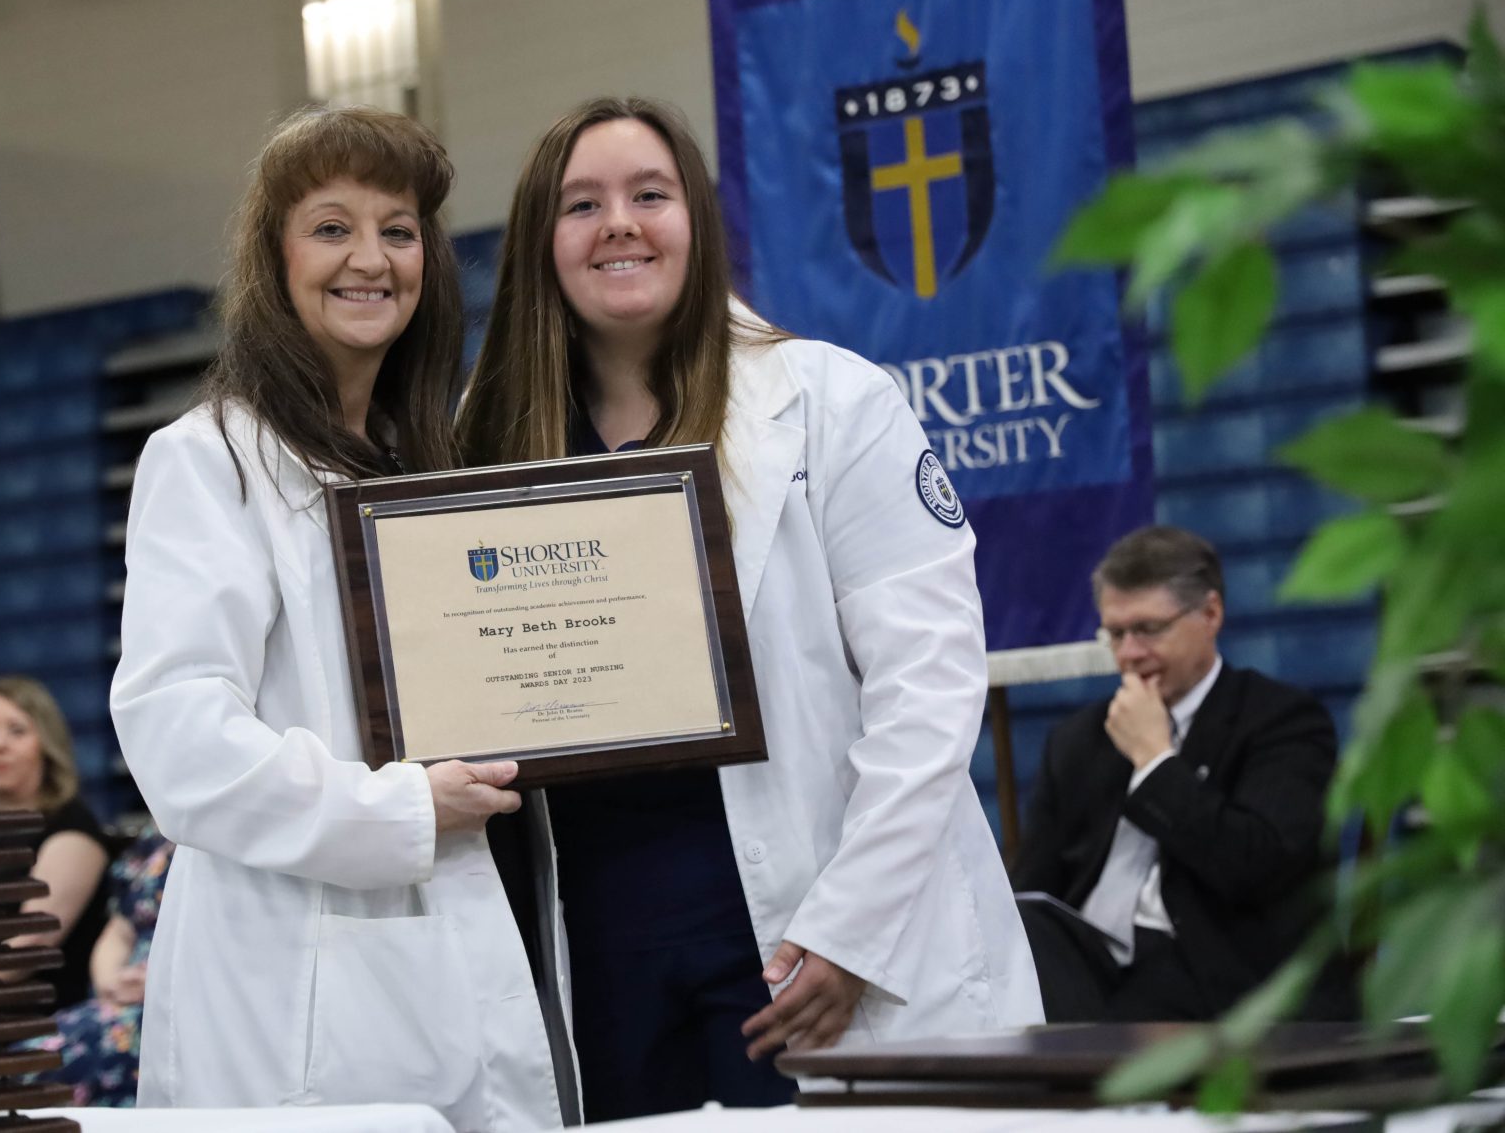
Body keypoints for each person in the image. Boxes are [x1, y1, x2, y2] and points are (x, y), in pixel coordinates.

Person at [456, 96, 1041, 1121]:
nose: (619, 224)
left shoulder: (828, 402)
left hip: (797, 939)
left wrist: (853, 928)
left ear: (699, 222)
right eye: (580, 204)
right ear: (537, 244)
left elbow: (929, 686)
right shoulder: (485, 444)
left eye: (650, 194)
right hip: (602, 953)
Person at [108, 106, 558, 1129]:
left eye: (397, 230)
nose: (370, 260)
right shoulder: (208, 459)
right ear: (275, 258)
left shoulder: (431, 469)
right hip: (290, 983)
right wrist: (398, 811)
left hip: (448, 952)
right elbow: (179, 741)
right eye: (330, 228)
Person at [1012, 525, 1339, 1022]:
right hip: (1088, 977)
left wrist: (1155, 761)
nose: (1129, 654)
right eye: (1116, 634)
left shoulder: (1281, 721)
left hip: (1219, 979)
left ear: (1210, 614)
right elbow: (1033, 892)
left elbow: (1259, 865)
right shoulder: (1078, 740)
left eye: (1148, 629)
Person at [0, 674, 115, 1010]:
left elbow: (30, 946)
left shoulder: (72, 827)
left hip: (32, 1019)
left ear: (47, 747)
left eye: (17, 731)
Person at [19, 829, 175, 1107]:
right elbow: (118, 931)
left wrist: (159, 983)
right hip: (120, 998)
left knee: (45, 1062)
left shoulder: (228, 845)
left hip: (181, 1006)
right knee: (23, 1056)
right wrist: (110, 981)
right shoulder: (154, 843)